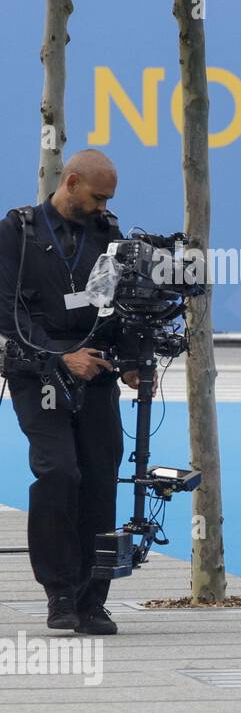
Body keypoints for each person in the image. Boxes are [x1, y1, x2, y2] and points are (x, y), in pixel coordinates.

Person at [0, 149, 146, 634]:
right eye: (98, 197)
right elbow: (7, 316)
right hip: (37, 375)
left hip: (97, 375)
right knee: (59, 473)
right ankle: (59, 594)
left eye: (109, 200)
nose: (104, 207)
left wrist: (130, 363)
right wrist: (59, 357)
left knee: (101, 481)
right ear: (73, 182)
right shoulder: (17, 232)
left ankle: (92, 599)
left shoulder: (110, 236)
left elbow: (123, 305)